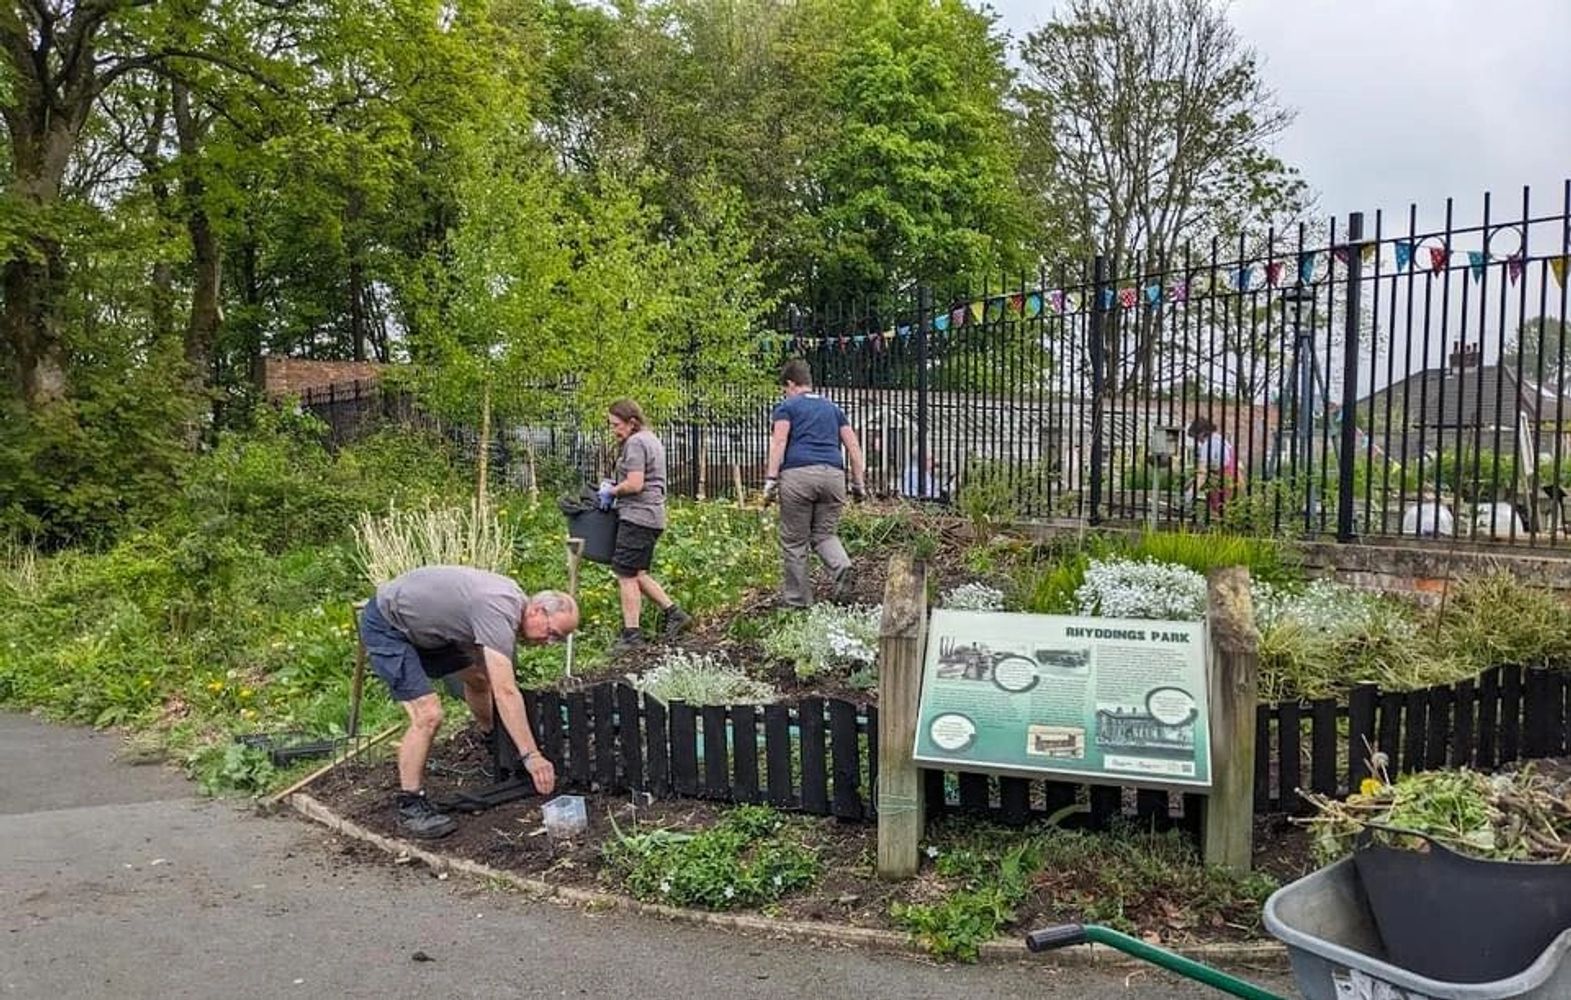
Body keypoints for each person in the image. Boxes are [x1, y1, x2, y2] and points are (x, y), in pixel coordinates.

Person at [358, 566, 579, 839]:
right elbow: (507, 692)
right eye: (553, 633)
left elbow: (493, 677)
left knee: (478, 679)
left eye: (558, 639)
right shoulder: (499, 610)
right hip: (388, 625)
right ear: (537, 611)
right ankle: (410, 803)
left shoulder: (511, 603)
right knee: (428, 715)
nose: (550, 642)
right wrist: (531, 756)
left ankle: (492, 741)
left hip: (427, 629)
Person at [762, 359, 868, 607]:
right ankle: (842, 568)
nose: (785, 393)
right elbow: (853, 446)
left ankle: (798, 602)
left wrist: (770, 480)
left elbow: (779, 442)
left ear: (790, 384)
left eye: (784, 388)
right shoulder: (833, 409)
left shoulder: (786, 407)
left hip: (798, 477)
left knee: (795, 540)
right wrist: (858, 484)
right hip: (833, 477)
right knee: (824, 534)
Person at [598, 399, 691, 656]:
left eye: (616, 425)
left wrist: (612, 492)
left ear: (632, 422)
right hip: (651, 516)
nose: (614, 430)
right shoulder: (651, 439)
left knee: (624, 574)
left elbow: (636, 483)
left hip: (638, 517)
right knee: (636, 572)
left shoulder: (636, 442)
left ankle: (632, 636)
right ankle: (675, 614)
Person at [1186, 416, 1238, 516]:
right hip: (1234, 480)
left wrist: (1190, 493)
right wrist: (1193, 481)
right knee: (1231, 512)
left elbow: (1202, 473)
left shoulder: (1208, 445)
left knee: (1219, 514)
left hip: (1222, 483)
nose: (1197, 441)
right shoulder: (1221, 440)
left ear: (1201, 433)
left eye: (1196, 437)